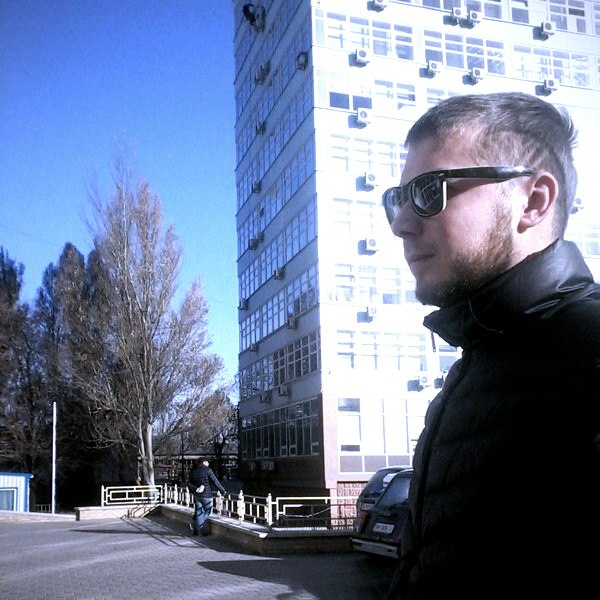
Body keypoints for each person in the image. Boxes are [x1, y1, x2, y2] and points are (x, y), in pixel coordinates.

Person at [382, 92, 600, 599]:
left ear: (534, 201)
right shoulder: (479, 362)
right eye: (399, 197)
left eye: (431, 190)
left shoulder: (589, 353)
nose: (401, 224)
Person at [186, 457, 227, 536]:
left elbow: (189, 483)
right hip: (207, 495)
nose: (208, 463)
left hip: (197, 495)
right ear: (204, 462)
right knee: (208, 511)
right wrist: (223, 491)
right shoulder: (208, 470)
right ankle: (196, 525)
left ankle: (198, 532)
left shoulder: (194, 471)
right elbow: (215, 481)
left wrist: (196, 489)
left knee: (199, 512)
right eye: (207, 462)